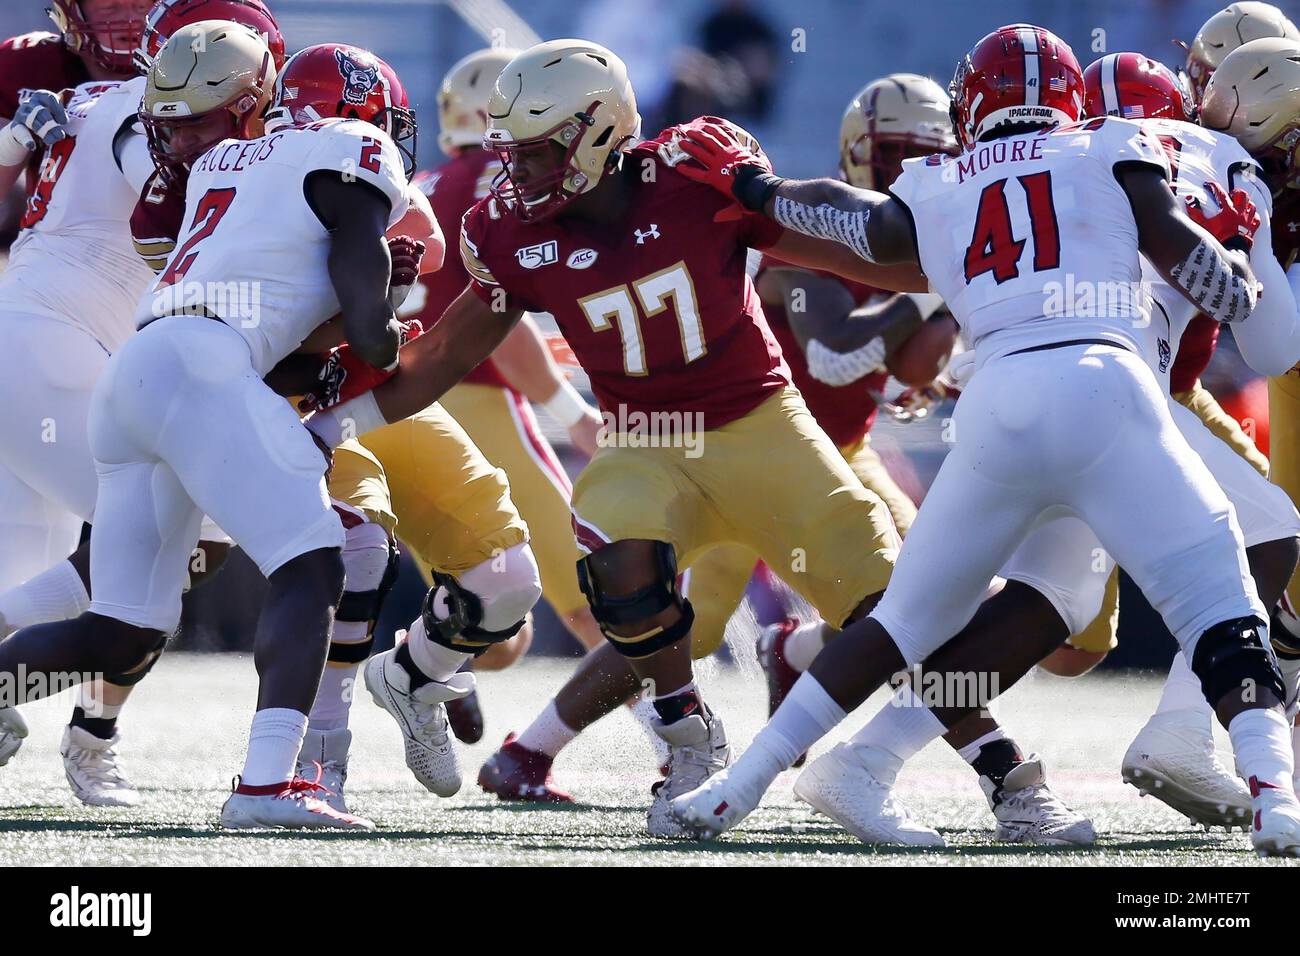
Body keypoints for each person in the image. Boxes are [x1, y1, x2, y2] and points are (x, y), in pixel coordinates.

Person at [667, 22, 1300, 857]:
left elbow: (865, 226)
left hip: (996, 401)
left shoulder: (942, 177)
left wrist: (756, 188)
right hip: (1107, 388)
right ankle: (1275, 797)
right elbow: (1215, 282)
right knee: (1224, 600)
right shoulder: (1113, 145)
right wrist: (1226, 267)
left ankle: (738, 788)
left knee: (904, 620)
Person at [301, 39, 922, 837]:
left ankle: (979, 771)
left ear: (598, 132)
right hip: (641, 436)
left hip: (759, 421)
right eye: (509, 154)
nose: (514, 174)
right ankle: (686, 731)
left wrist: (945, 277)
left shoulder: (696, 178)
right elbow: (446, 354)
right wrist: (328, 425)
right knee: (615, 562)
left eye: (535, 153)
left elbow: (832, 240)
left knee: (894, 604)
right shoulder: (506, 232)